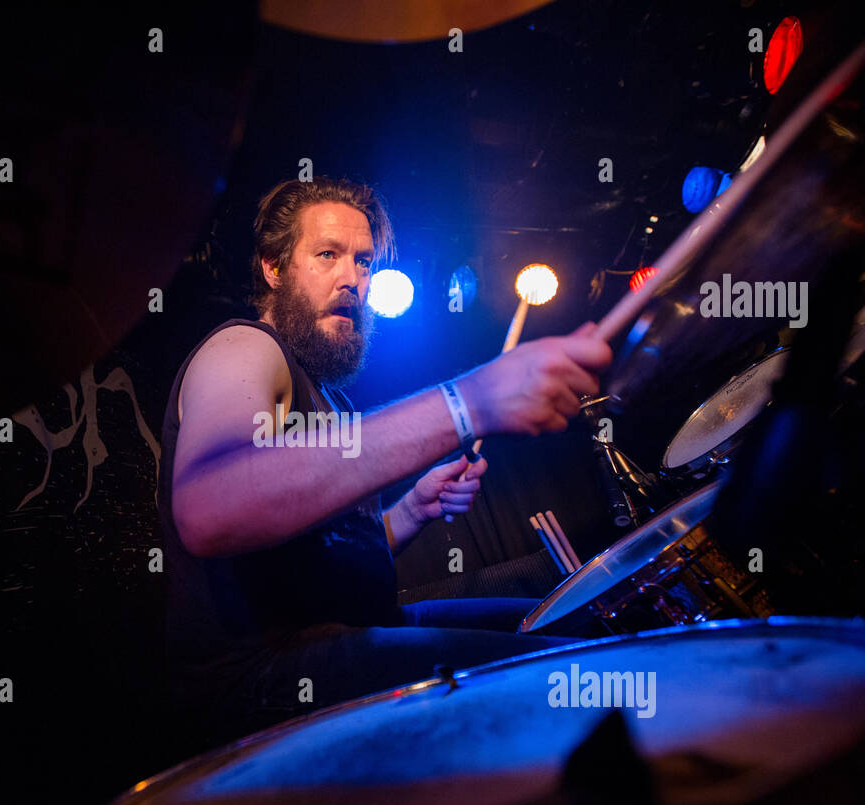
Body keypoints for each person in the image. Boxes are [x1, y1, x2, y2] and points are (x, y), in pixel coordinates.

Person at [158, 176, 612, 747]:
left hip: (353, 631)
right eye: (327, 255)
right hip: (259, 681)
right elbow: (209, 508)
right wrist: (468, 401)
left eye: (364, 261)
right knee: (577, 675)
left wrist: (410, 512)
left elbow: (330, 558)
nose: (353, 278)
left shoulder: (333, 399)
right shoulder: (244, 348)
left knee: (584, 624)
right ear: (273, 268)